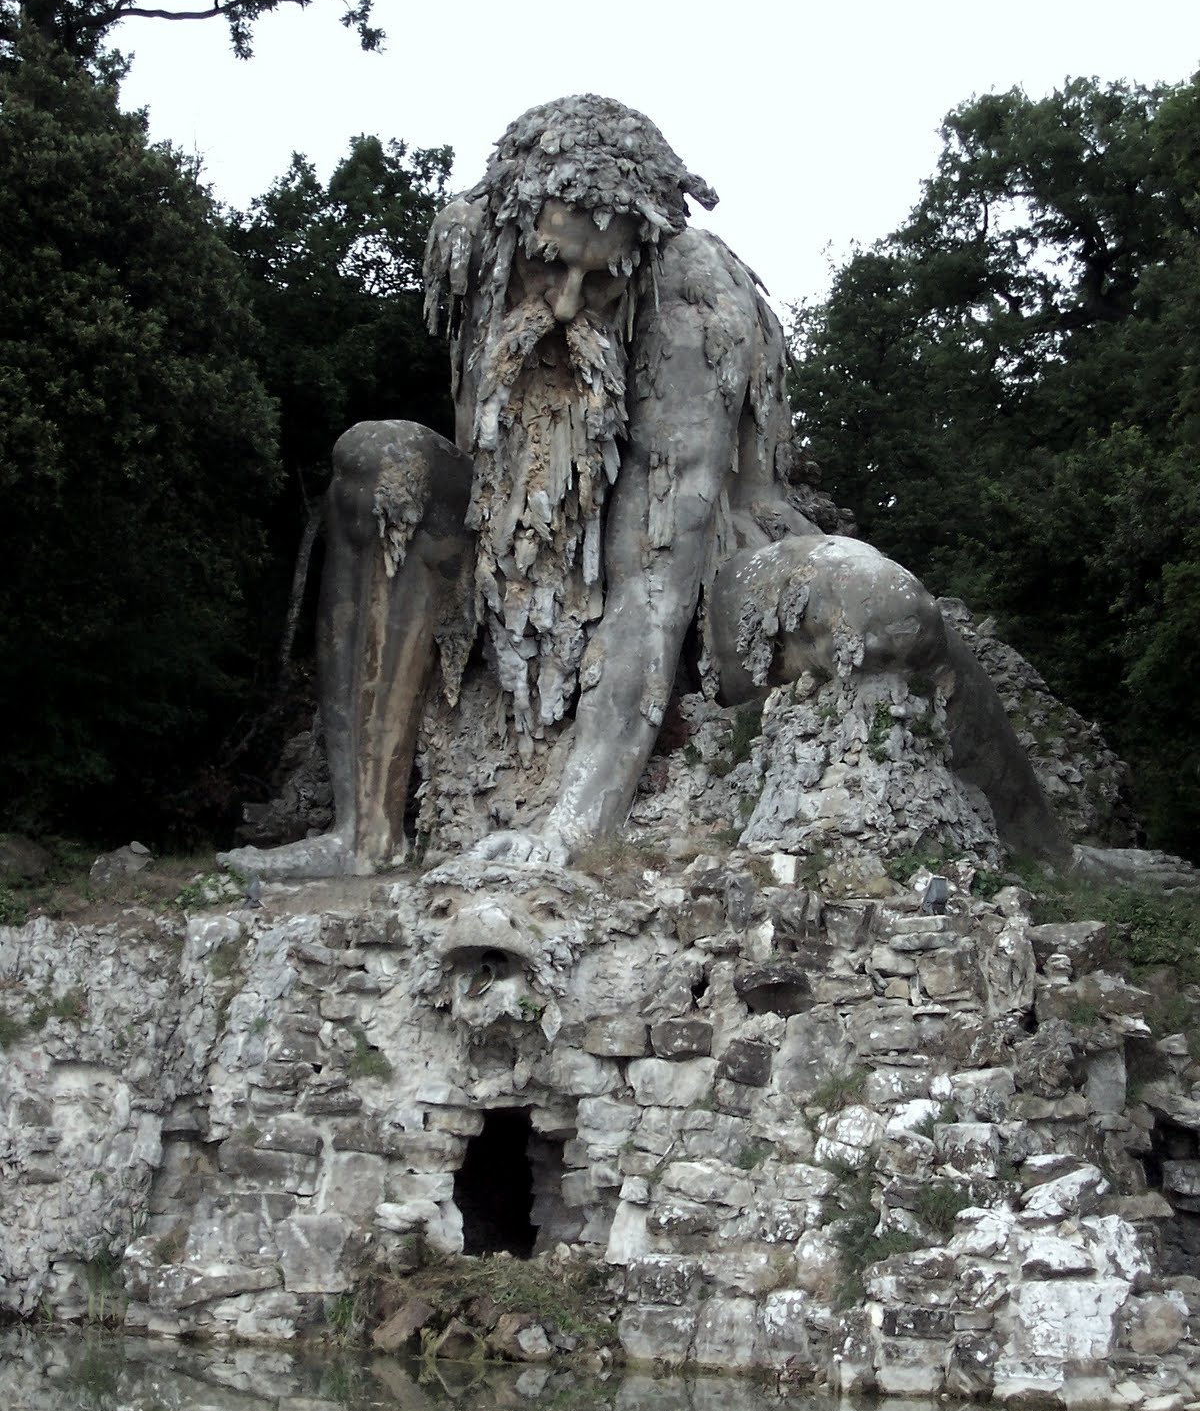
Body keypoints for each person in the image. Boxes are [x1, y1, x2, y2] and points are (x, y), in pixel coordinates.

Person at [223, 95, 1066, 878]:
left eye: (600, 286)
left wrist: (573, 829)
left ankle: (1053, 855)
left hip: (711, 587)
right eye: (545, 272)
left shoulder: (691, 304)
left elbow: (655, 583)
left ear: (642, 265)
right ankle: (362, 834)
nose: (561, 309)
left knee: (882, 606)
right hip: (512, 555)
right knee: (381, 461)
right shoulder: (472, 242)